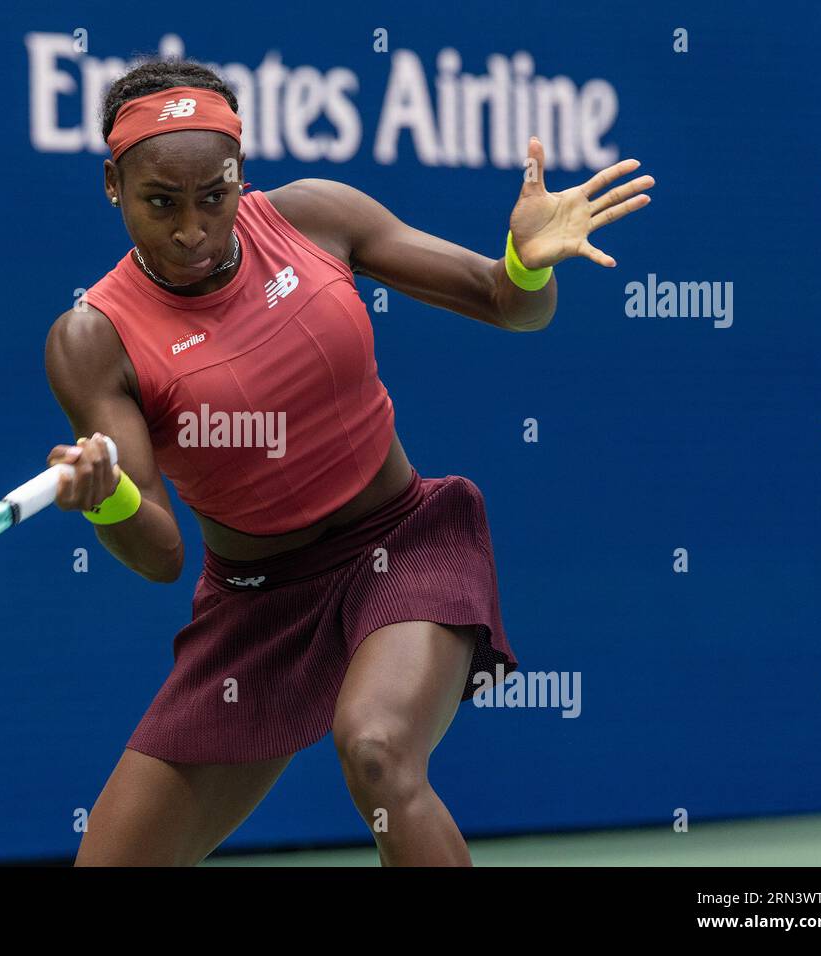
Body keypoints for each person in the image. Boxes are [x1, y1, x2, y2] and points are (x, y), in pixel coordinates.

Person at [43, 59, 653, 866]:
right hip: (256, 610)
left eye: (213, 197)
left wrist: (525, 261)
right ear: (114, 185)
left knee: (377, 751)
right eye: (160, 202)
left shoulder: (314, 217)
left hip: (401, 546)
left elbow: (509, 305)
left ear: (240, 177)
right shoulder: (93, 338)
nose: (191, 228)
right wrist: (107, 497)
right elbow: (161, 554)